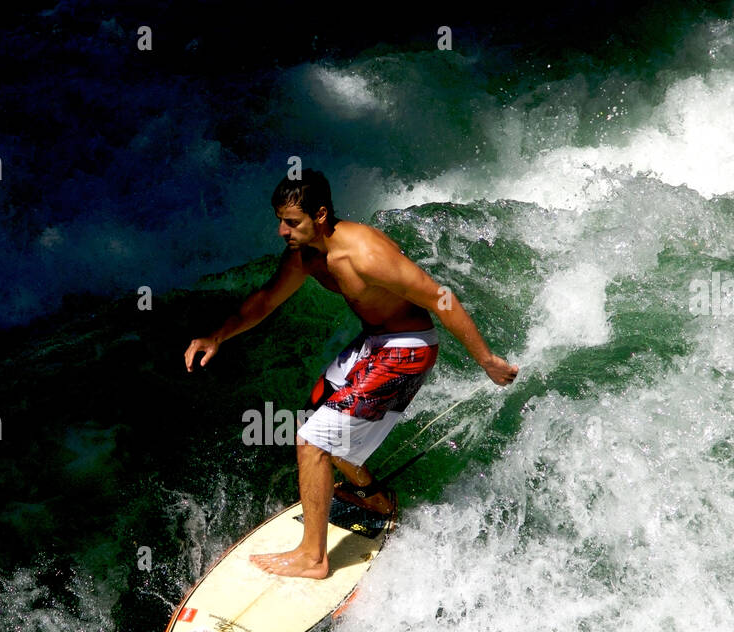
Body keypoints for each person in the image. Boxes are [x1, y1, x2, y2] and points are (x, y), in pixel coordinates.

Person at [183, 171, 518, 578]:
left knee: (312, 442)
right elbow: (268, 298)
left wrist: (485, 360)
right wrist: (217, 335)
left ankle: (313, 557)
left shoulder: (366, 255)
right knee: (316, 422)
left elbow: (441, 298)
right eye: (280, 220)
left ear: (320, 214)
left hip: (408, 347)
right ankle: (372, 499)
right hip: (375, 341)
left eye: (292, 222)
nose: (281, 230)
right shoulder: (305, 254)